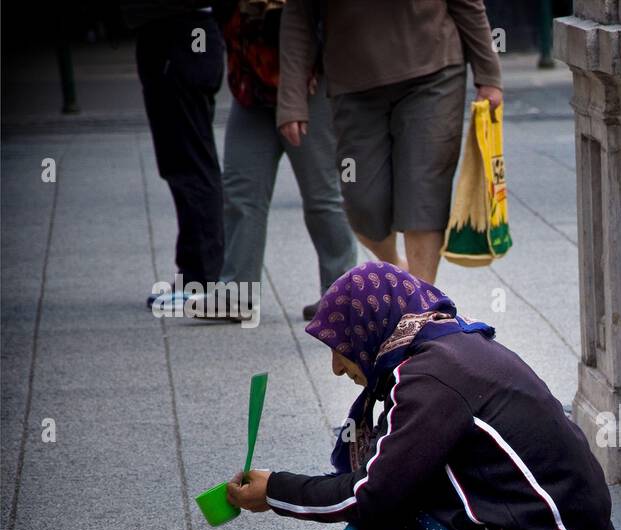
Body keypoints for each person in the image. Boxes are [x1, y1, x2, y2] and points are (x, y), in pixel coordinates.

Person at [225, 262, 614, 530]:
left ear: (369, 331)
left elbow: (371, 496)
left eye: (340, 349)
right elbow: (390, 478)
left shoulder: (429, 377)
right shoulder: (449, 342)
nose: (336, 368)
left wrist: (274, 491)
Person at [275, 0, 504, 285]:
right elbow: (298, 13)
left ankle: (419, 309)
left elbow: (466, 3)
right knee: (363, 204)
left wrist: (489, 74)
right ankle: (396, 267)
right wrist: (291, 96)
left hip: (434, 69)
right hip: (352, 82)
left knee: (424, 192)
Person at [217, 0, 357, 322]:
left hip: (306, 86)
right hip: (250, 87)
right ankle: (236, 294)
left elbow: (319, 21)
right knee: (240, 191)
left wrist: (313, 68)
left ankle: (343, 296)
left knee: (322, 197)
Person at [126, 1, 228, 314]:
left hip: (180, 30)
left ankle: (200, 278)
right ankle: (199, 275)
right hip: (177, 30)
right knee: (184, 161)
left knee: (189, 163)